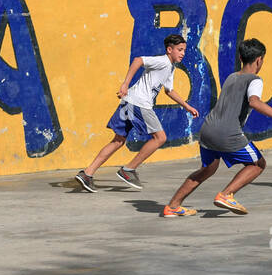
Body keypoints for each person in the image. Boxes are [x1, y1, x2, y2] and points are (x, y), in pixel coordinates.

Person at [162, 39, 272, 217]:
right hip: (227, 133)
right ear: (259, 60)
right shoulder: (255, 80)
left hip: (207, 130)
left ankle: (173, 206)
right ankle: (226, 195)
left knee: (207, 169)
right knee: (258, 164)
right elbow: (254, 102)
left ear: (240, 57)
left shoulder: (232, 77)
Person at [74, 34, 199, 191]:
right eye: (179, 50)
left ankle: (87, 173)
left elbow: (169, 90)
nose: (182, 53)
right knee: (160, 138)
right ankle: (128, 170)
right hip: (140, 103)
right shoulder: (162, 61)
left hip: (129, 102)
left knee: (118, 140)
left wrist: (186, 106)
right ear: (169, 50)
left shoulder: (170, 67)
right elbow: (138, 60)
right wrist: (125, 84)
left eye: (184, 50)